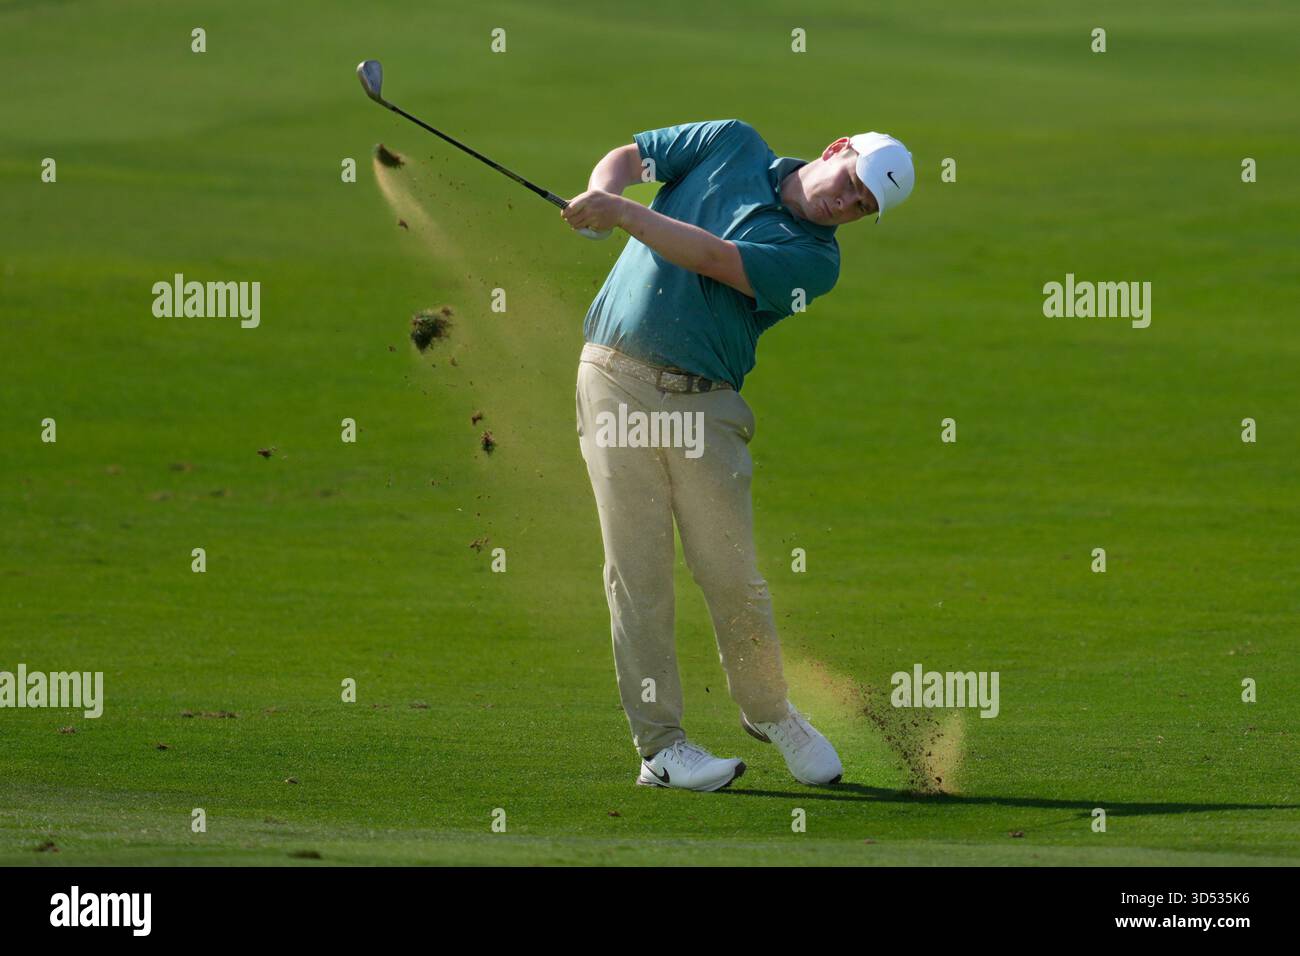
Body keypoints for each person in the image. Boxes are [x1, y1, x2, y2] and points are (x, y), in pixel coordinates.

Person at [562, 120, 914, 791]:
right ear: (838, 149)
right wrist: (599, 202)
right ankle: (661, 749)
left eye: (863, 208)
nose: (846, 206)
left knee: (731, 575)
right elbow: (631, 158)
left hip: (707, 404)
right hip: (613, 379)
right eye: (851, 186)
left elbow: (715, 259)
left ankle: (768, 711)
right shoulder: (731, 142)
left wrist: (622, 213)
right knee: (638, 571)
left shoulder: (816, 263)